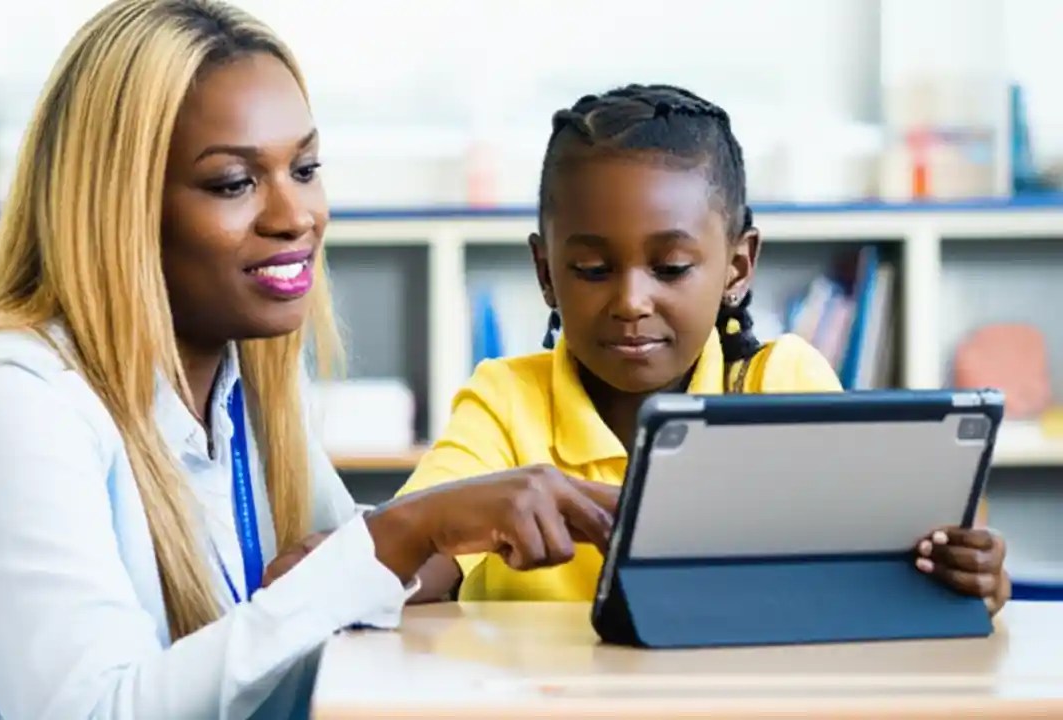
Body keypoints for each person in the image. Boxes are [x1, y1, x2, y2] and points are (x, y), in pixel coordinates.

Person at [0, 3, 615, 718]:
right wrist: (406, 530)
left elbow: (332, 593)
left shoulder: (240, 388)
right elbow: (101, 709)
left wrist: (434, 533)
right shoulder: (6, 400)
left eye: (305, 169)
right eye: (234, 182)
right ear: (119, 206)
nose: (296, 216)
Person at [396, 84, 1011, 612]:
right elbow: (390, 575)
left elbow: (875, 570)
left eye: (670, 268)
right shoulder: (506, 402)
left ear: (737, 268)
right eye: (591, 269)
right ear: (546, 272)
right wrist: (447, 520)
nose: (631, 301)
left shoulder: (782, 385)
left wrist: (964, 574)